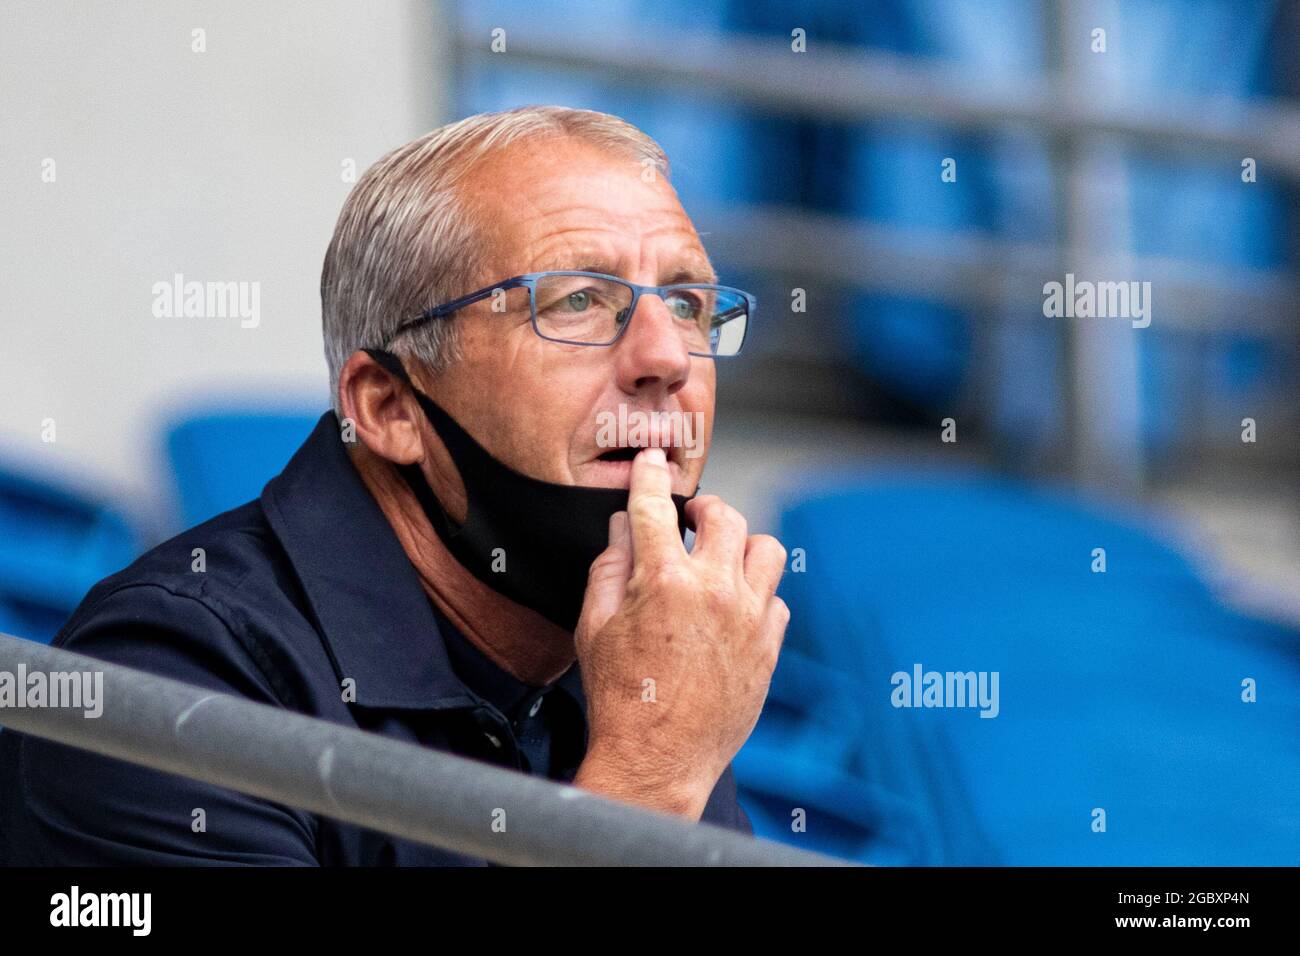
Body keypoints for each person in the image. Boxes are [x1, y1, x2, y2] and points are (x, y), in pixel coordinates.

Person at [0, 105, 789, 865]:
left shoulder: (644, 648)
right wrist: (650, 775)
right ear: (388, 407)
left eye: (687, 304)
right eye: (579, 300)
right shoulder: (170, 673)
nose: (669, 358)